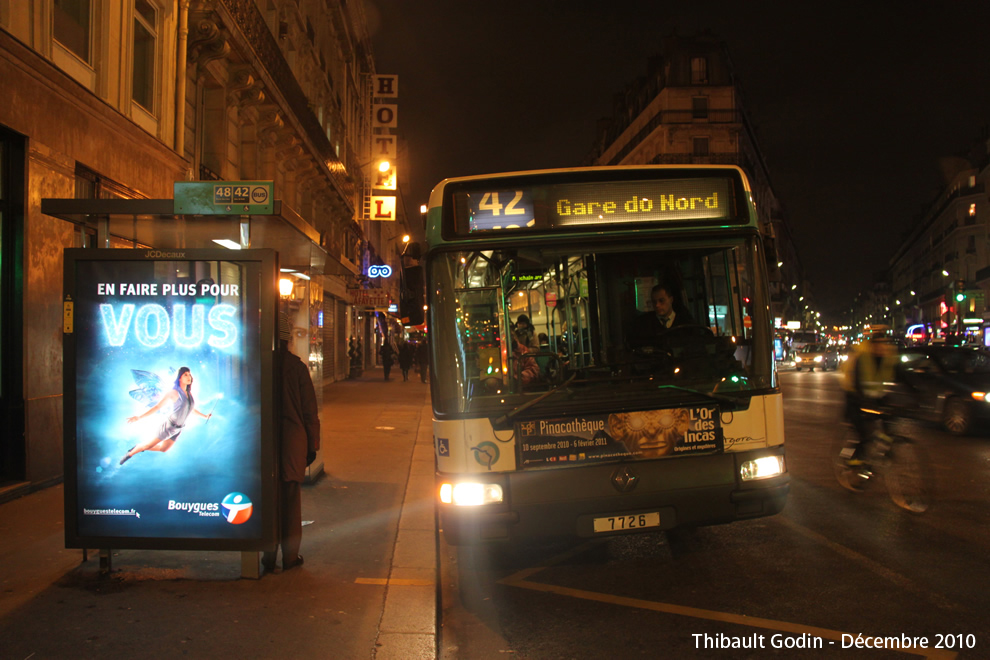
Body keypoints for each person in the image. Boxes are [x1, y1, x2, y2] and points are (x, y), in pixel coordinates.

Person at [264, 313, 321, 573]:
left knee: (266, 498)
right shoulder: (297, 368)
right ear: (288, 340)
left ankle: (267, 556)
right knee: (290, 500)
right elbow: (310, 412)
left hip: (264, 443)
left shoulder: (260, 366)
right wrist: (312, 446)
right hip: (292, 442)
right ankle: (289, 557)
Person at [120, 366, 211, 464]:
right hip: (168, 427)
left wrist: (204, 416)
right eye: (185, 375)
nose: (189, 377)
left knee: (164, 449)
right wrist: (139, 417)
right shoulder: (174, 393)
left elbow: (190, 409)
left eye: (189, 374)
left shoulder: (189, 394)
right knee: (147, 446)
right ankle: (131, 452)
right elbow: (157, 407)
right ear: (179, 378)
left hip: (178, 429)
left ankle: (140, 447)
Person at [840, 325, 900, 465]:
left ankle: (885, 450)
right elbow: (856, 384)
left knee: (889, 423)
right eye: (878, 345)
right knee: (864, 435)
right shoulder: (862, 359)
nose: (882, 349)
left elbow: (901, 377)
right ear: (872, 346)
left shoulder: (888, 359)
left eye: (884, 345)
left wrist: (914, 393)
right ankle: (853, 463)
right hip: (855, 400)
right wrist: (865, 404)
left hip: (876, 399)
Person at [630, 283, 695, 348]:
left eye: (661, 301)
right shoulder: (644, 324)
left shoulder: (686, 323)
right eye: (654, 302)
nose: (657, 305)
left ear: (671, 300)